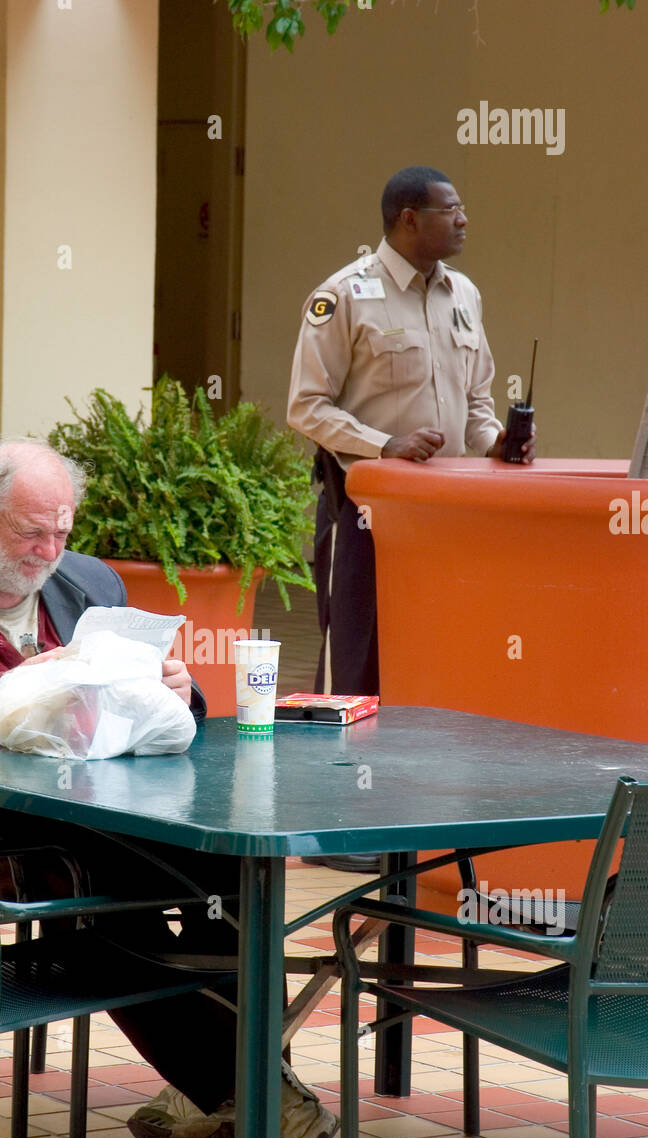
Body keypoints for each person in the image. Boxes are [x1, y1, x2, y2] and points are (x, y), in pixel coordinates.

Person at [0, 436, 337, 1138]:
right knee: (105, 896)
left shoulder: (91, 584)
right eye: (30, 532)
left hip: (95, 808)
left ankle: (211, 1093)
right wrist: (10, 687)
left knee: (219, 868)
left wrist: (178, 692)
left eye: (62, 532)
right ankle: (246, 1092)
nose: (49, 551)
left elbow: (146, 702)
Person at [287, 165, 535, 872]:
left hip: (446, 526)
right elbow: (306, 406)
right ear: (406, 219)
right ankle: (339, 834)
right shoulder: (344, 296)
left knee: (429, 668)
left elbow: (479, 407)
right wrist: (382, 445)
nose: (464, 222)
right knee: (358, 667)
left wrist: (502, 445)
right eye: (449, 210)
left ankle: (408, 823)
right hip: (363, 516)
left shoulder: (465, 295)